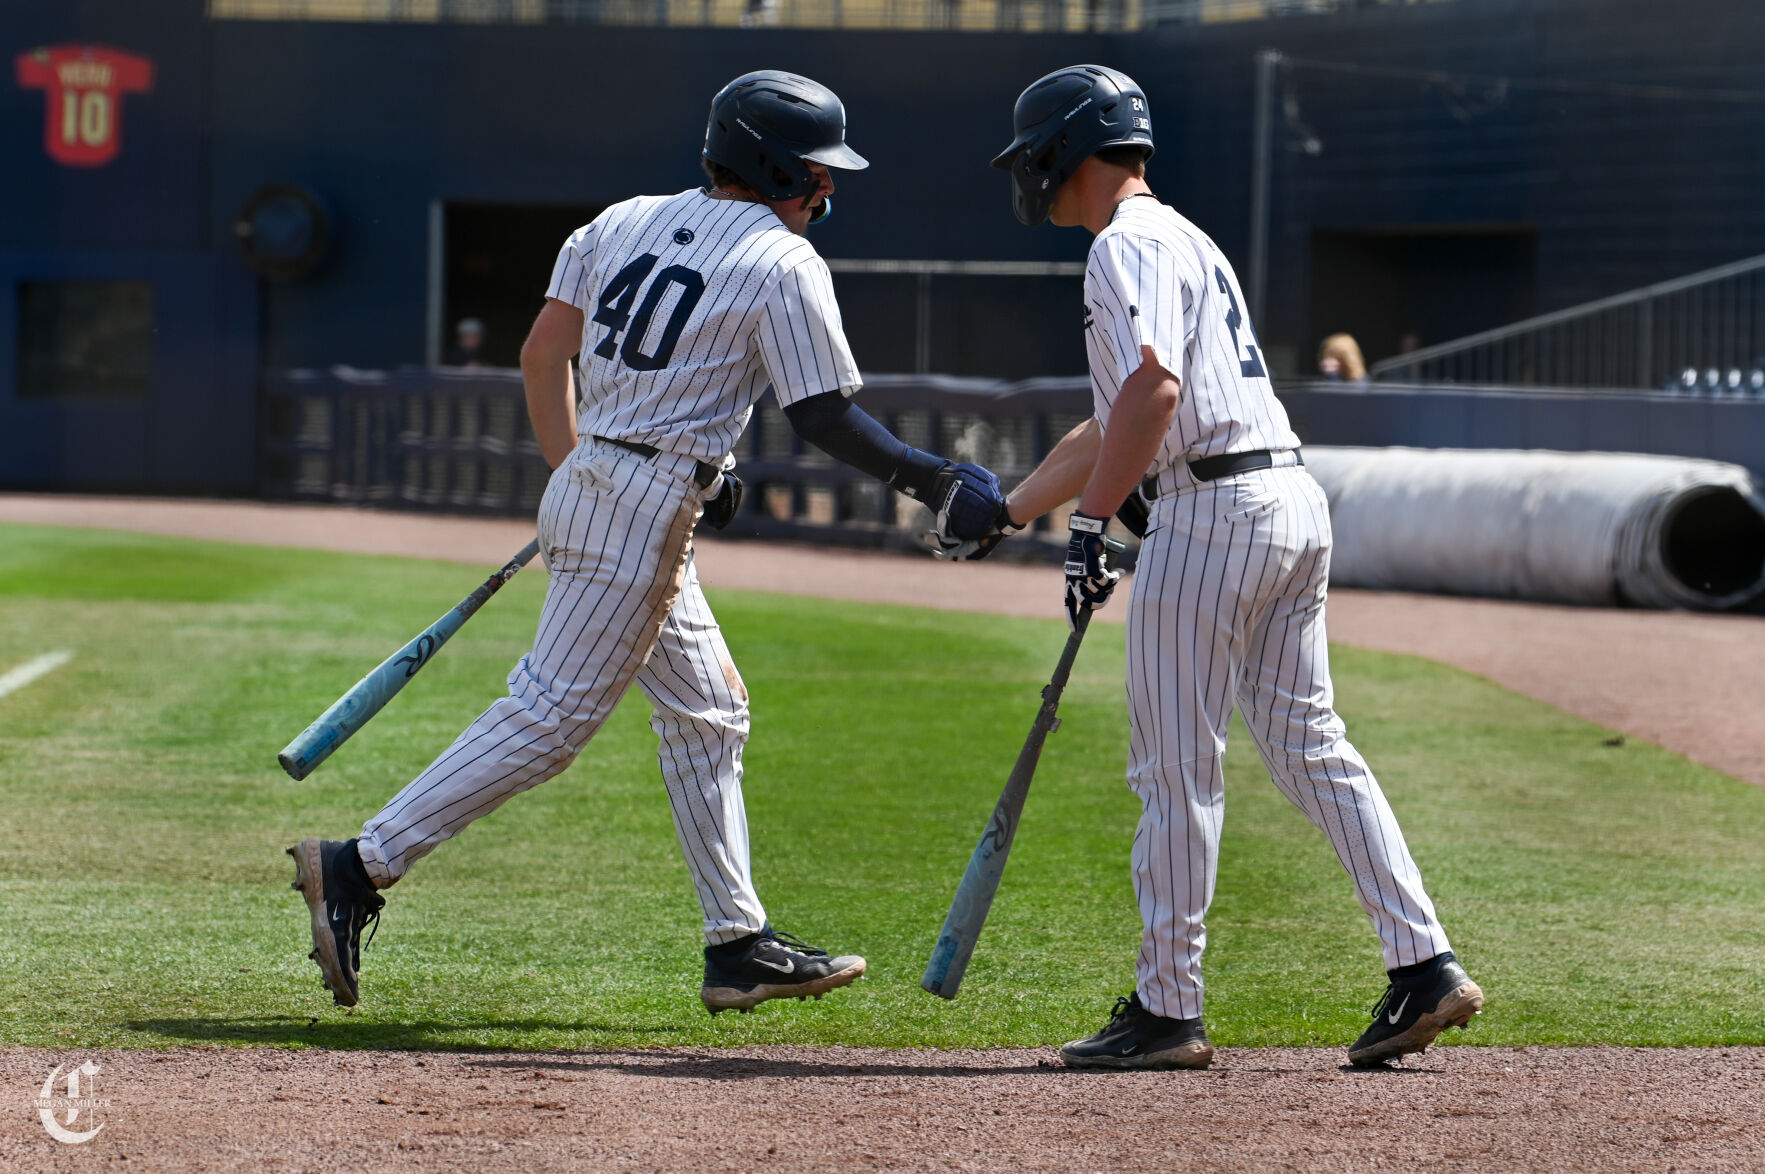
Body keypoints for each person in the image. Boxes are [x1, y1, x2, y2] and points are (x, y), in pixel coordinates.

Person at [288, 70, 1005, 1016]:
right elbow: (823, 414)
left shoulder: (621, 219)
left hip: (605, 473)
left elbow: (542, 354)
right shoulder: (782, 262)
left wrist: (579, 473)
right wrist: (931, 477)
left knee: (709, 716)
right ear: (772, 162)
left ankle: (737, 944)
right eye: (816, 170)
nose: (827, 188)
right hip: (640, 500)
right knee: (546, 722)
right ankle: (357, 864)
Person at [952, 64, 1482, 1070]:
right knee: (1311, 745)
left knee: (1174, 769)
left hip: (1209, 513)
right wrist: (1017, 510)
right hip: (1284, 497)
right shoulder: (1181, 236)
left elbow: (1149, 394)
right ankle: (1423, 961)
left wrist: (1088, 525)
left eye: (1037, 157)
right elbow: (1122, 415)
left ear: (1066, 148)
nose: (1033, 177)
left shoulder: (1121, 247)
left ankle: (1167, 1007)